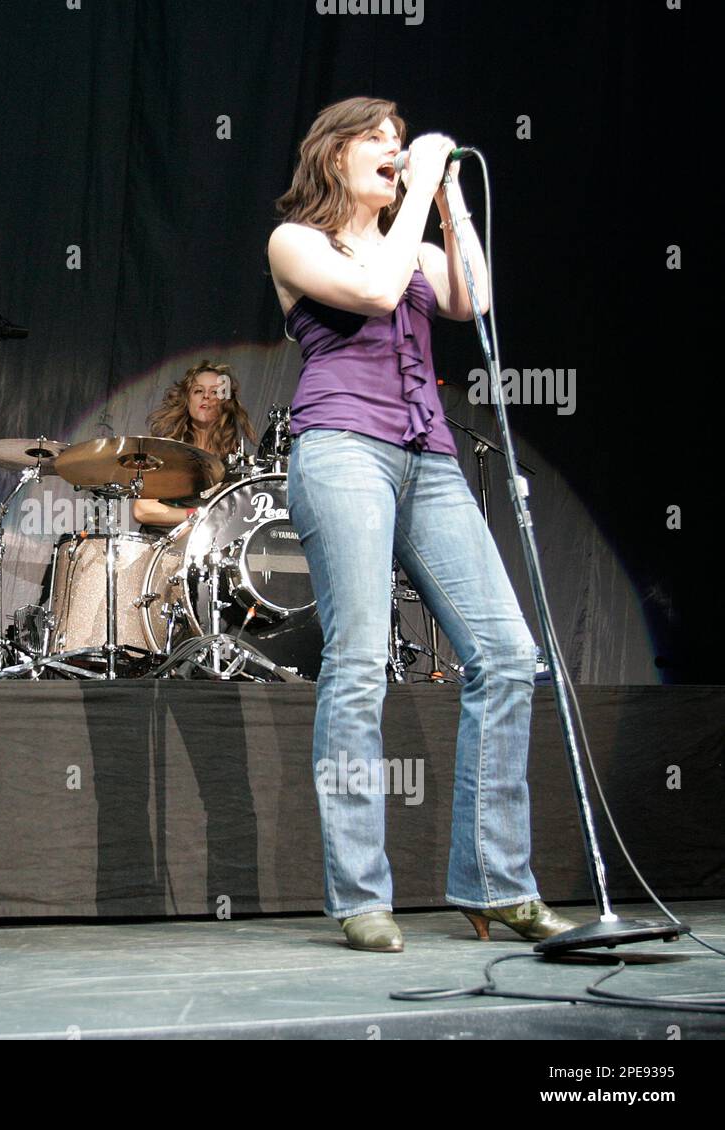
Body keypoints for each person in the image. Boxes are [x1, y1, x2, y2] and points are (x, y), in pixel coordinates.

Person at [266, 96, 577, 952]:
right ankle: (361, 896)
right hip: (342, 449)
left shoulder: (418, 237)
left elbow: (472, 299)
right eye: (380, 142)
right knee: (360, 663)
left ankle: (497, 887)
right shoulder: (297, 241)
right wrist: (420, 193)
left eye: (402, 143)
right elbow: (370, 292)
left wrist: (450, 201)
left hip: (429, 457)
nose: (396, 152)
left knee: (509, 656)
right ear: (335, 156)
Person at [132, 360, 256, 537]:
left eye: (214, 392)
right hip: (160, 549)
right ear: (187, 400)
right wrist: (196, 515)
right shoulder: (167, 451)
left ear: (226, 402)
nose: (206, 396)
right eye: (198, 390)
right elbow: (142, 510)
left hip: (207, 555)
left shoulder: (238, 464)